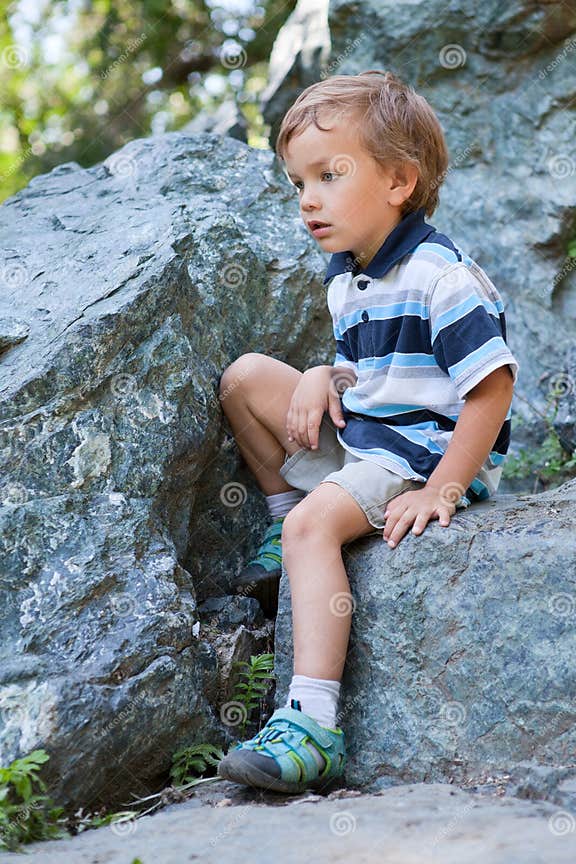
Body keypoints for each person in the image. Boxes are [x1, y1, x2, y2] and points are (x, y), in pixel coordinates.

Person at [216, 70, 519, 794]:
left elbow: (493, 386)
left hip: (420, 453)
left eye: (329, 174)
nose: (308, 199)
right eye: (298, 183)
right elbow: (370, 371)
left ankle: (313, 722)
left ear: (398, 182)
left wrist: (445, 484)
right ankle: (282, 520)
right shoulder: (346, 275)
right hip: (372, 432)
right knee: (245, 379)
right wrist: (325, 377)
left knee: (319, 529)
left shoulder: (443, 277)